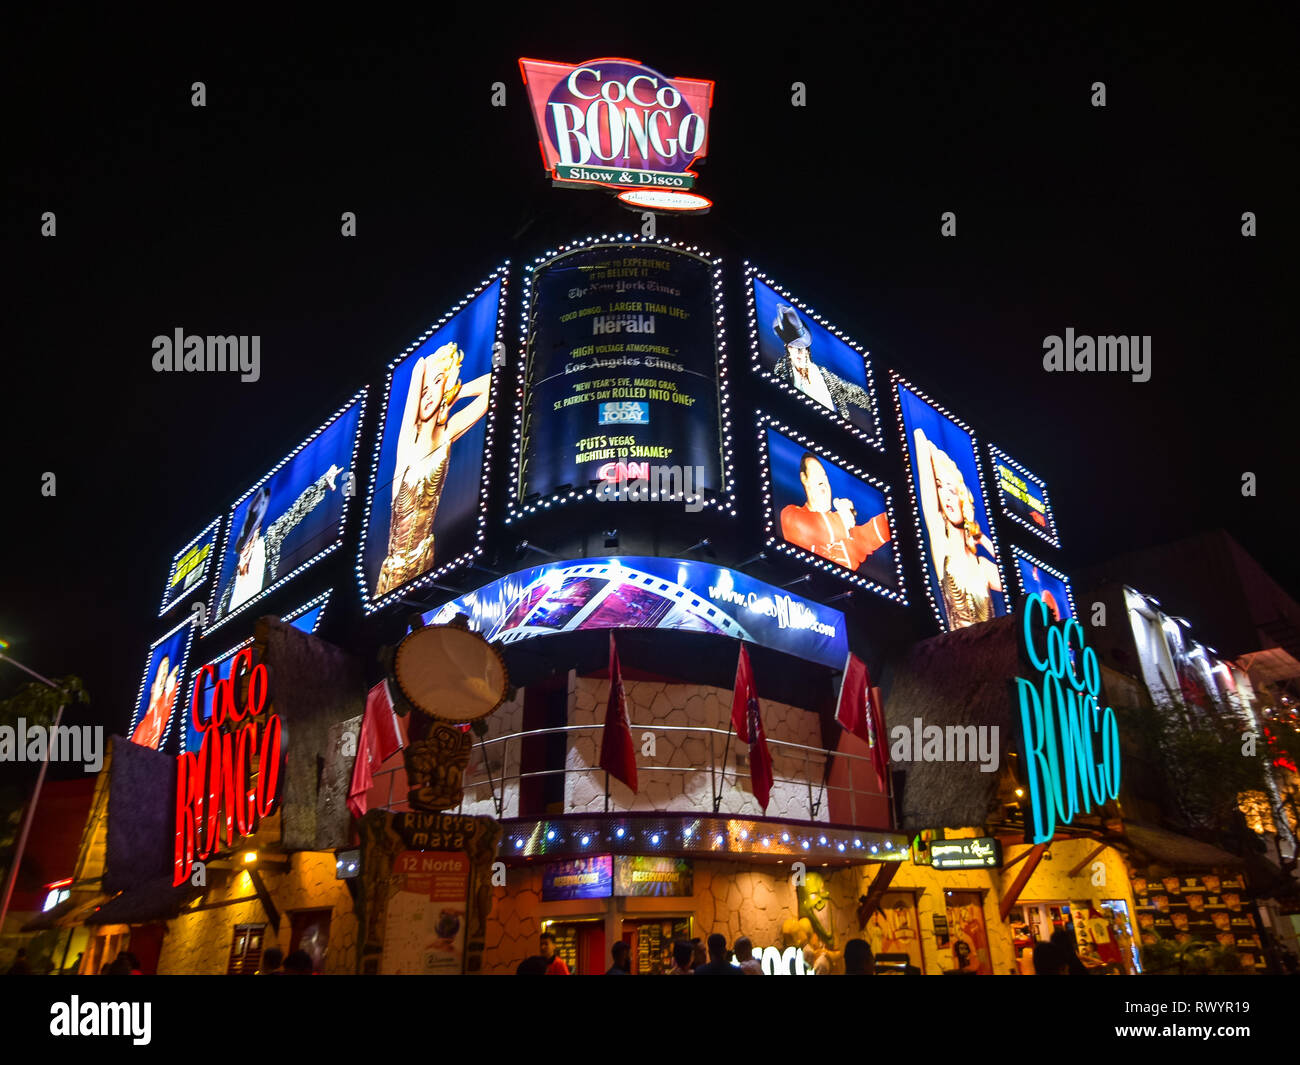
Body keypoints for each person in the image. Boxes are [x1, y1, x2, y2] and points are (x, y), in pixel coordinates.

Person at [376, 341, 491, 596]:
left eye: (435, 385)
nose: (427, 395)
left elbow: (493, 385)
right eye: (423, 390)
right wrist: (430, 377)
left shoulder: (447, 434)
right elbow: (418, 370)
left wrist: (455, 391)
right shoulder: (408, 441)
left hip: (427, 560)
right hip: (394, 575)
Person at [219, 462, 347, 614]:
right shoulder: (230, 586)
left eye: (251, 538)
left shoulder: (267, 543)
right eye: (244, 542)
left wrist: (322, 483)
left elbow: (295, 512)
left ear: (257, 533)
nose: (247, 546)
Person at [912, 428, 1002, 629]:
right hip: (958, 650)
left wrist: (981, 538)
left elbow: (1012, 579)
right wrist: (930, 452)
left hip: (988, 652)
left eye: (952, 490)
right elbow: (918, 436)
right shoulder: (941, 545)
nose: (945, 496)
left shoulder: (983, 567)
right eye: (940, 487)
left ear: (963, 500)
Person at [780, 453, 892, 572]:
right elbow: (808, 527)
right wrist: (843, 518)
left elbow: (868, 535)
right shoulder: (791, 514)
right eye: (817, 475)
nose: (823, 481)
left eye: (825, 477)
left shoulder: (846, 535)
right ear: (804, 479)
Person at [771, 304, 872, 420]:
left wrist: (875, 404)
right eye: (792, 348)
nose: (797, 353)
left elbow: (853, 392)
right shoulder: (782, 369)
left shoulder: (826, 375)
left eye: (800, 348)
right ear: (788, 349)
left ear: (807, 351)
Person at [130, 654, 181, 750]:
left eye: (165, 675)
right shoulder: (141, 730)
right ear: (152, 687)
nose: (162, 680)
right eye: (161, 675)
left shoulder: (163, 714)